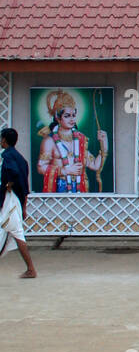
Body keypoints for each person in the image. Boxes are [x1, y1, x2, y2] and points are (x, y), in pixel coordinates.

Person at [36, 90, 108, 192]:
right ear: (58, 117)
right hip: (59, 187)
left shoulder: (81, 140)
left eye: (73, 115)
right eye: (67, 116)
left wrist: (104, 145)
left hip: (78, 188)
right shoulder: (49, 141)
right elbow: (41, 167)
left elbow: (95, 165)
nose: (72, 119)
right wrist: (65, 170)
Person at [0, 128, 37, 278]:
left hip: (10, 198)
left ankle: (31, 269)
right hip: (17, 200)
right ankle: (30, 269)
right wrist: (24, 206)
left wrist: (8, 185)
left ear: (4, 140)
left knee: (13, 231)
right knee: (15, 232)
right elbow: (26, 187)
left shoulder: (7, 155)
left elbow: (12, 173)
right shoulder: (22, 159)